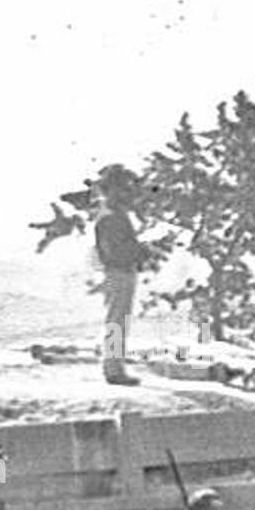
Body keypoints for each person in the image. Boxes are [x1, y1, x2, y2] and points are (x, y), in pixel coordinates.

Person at [93, 164, 144, 387]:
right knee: (116, 322)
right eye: (121, 188)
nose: (125, 192)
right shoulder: (110, 217)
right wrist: (138, 251)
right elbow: (114, 251)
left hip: (121, 271)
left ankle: (114, 365)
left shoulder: (112, 215)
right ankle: (113, 369)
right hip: (118, 272)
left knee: (118, 321)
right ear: (110, 189)